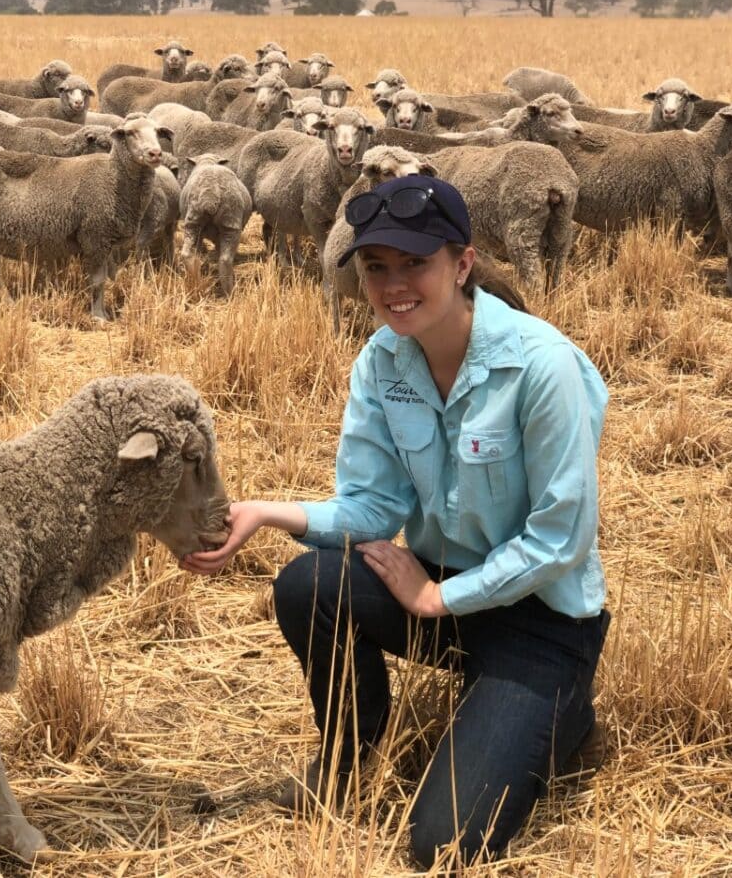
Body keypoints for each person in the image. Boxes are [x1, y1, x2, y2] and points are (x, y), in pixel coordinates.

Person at [182, 174, 611, 868]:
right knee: (307, 583)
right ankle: (349, 761)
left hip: (540, 621)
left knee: (443, 842)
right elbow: (376, 509)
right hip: (445, 594)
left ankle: (562, 713)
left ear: (463, 263)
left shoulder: (541, 365)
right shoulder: (382, 363)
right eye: (377, 267)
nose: (393, 284)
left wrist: (439, 597)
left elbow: (561, 539)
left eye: (416, 263)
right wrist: (264, 513)